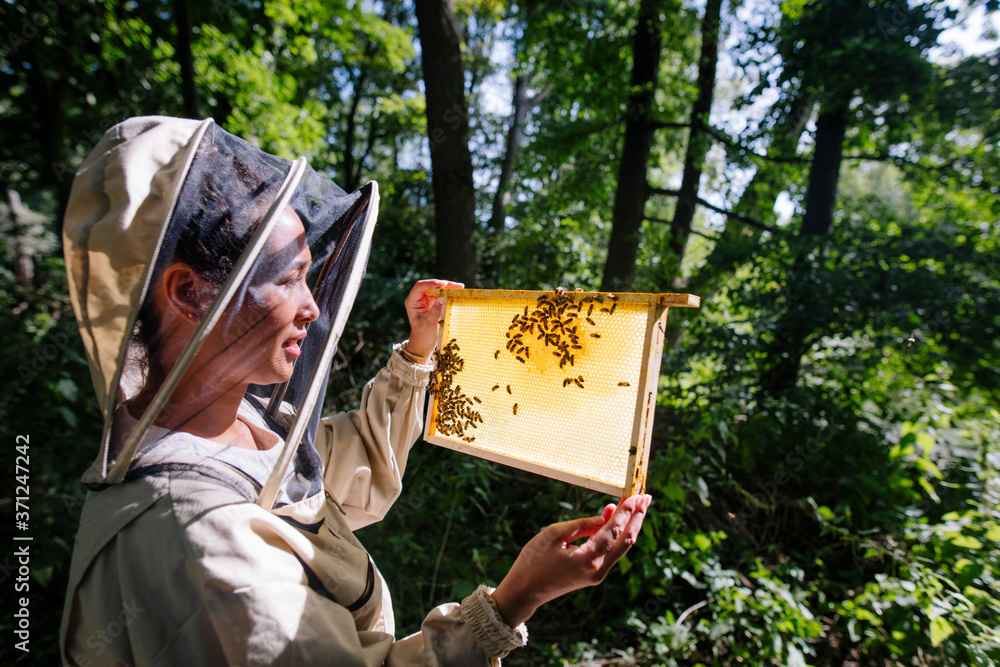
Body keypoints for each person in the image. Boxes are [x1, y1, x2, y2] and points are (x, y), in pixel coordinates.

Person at [59, 116, 651, 666]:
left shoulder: (219, 419)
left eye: (309, 276)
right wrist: (515, 599)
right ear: (189, 293)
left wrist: (418, 352)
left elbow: (340, 478)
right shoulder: (210, 551)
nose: (312, 307)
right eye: (287, 278)